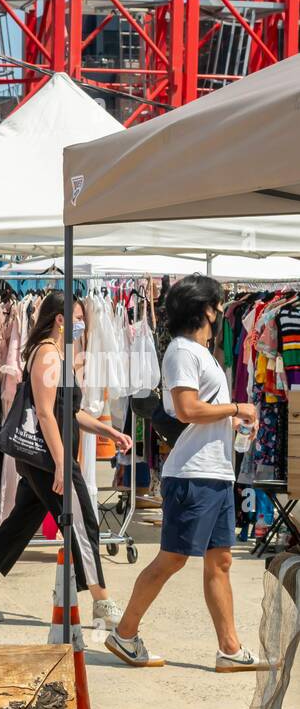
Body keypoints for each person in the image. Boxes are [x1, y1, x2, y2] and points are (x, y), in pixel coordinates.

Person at [107, 274, 266, 671]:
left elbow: (200, 413)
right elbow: (186, 409)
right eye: (217, 305)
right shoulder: (182, 351)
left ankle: (230, 649)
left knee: (221, 561)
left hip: (213, 471)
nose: (220, 312)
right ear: (205, 309)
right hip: (193, 473)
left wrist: (231, 423)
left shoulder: (201, 352)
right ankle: (125, 634)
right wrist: (236, 409)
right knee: (173, 559)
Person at [0, 291, 132, 627]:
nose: (81, 324)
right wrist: (63, 463)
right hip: (50, 459)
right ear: (60, 320)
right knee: (81, 522)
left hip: (44, 460)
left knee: (19, 525)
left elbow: (70, 412)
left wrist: (109, 433)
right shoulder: (49, 355)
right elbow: (47, 415)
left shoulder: (56, 355)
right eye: (77, 318)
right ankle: (102, 604)